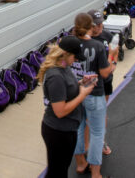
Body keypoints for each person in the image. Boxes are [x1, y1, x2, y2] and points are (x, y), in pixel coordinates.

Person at [38, 36, 96, 178]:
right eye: (75, 57)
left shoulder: (64, 67)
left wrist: (81, 83)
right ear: (66, 54)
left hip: (67, 129)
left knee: (59, 169)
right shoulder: (55, 76)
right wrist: (82, 95)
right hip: (58, 131)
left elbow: (67, 89)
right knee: (57, 172)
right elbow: (60, 111)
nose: (76, 60)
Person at [72, 12, 115, 178]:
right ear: (90, 26)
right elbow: (105, 73)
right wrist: (113, 58)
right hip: (94, 93)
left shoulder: (70, 43)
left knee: (79, 128)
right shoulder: (97, 46)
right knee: (97, 133)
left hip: (76, 92)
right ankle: (95, 172)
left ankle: (81, 163)